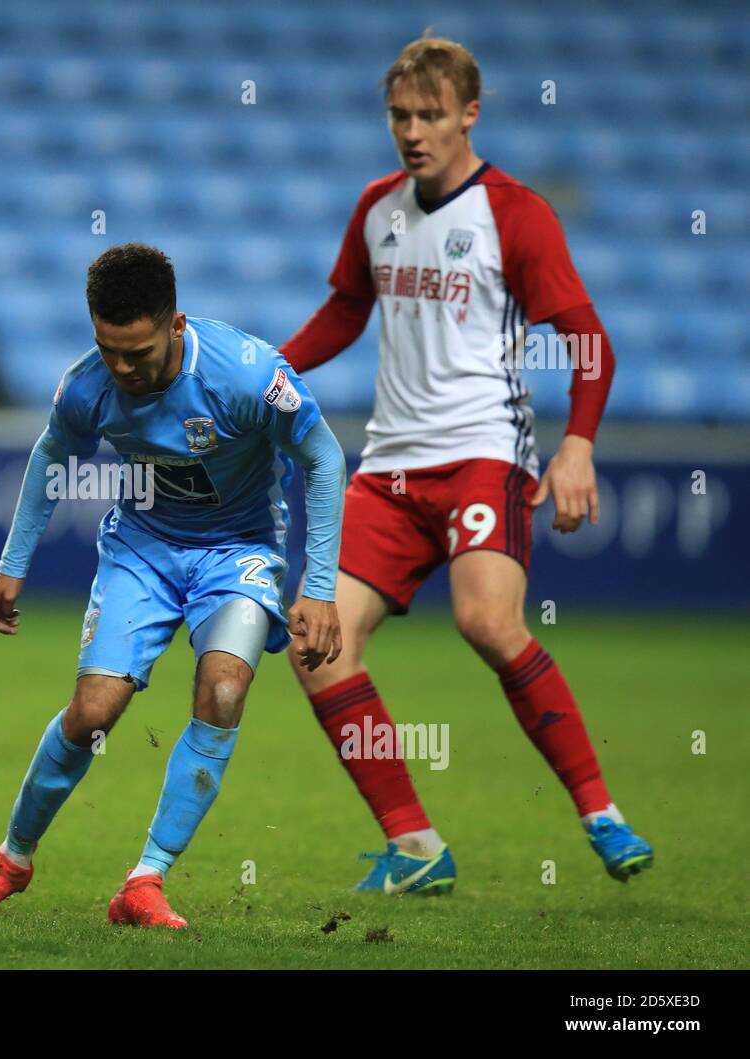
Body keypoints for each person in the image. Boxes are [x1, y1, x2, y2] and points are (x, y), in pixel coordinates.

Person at [280, 38, 653, 894]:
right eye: (400, 116)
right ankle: (415, 846)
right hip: (388, 468)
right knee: (317, 646)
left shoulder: (514, 213)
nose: (413, 133)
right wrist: (274, 373)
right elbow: (344, 309)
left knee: (487, 622)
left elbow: (589, 342)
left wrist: (578, 443)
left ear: (469, 115)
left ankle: (600, 811)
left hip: (483, 453)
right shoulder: (378, 208)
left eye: (431, 116)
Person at [0, 243, 346, 928]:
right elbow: (51, 454)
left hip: (237, 553)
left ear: (176, 324)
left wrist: (319, 587)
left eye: (137, 352)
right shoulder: (88, 386)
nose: (123, 368)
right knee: (91, 715)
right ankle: (9, 863)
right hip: (142, 552)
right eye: (108, 349)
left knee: (224, 687)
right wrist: (13, 563)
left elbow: (322, 453)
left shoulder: (246, 373)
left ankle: (144, 881)